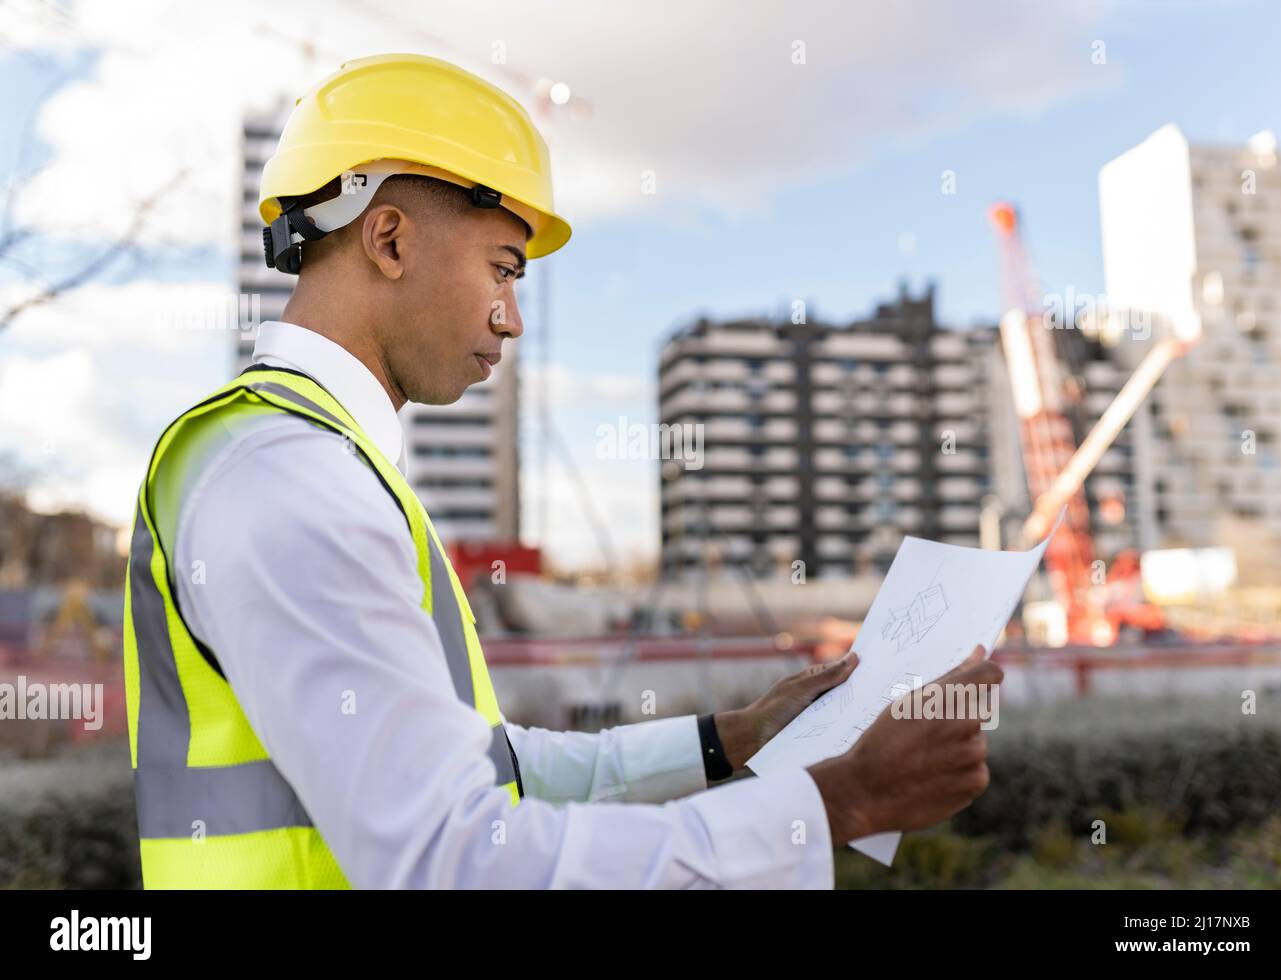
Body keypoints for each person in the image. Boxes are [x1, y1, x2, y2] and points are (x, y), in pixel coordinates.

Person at [122, 52, 1001, 889]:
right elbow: (457, 860)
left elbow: (490, 768)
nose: (510, 320)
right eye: (503, 271)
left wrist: (729, 739)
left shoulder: (314, 463)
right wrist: (842, 801)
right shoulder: (290, 476)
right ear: (388, 239)